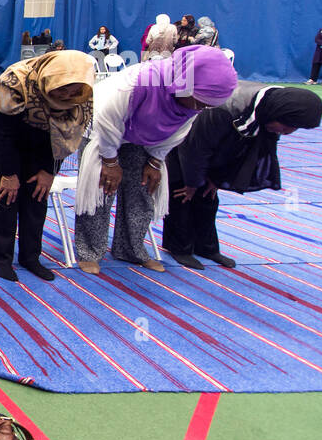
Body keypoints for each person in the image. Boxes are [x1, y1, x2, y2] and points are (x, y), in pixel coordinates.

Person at [74, 45, 238, 274]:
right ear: (184, 84)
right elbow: (106, 119)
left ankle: (130, 250)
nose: (203, 108)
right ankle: (90, 251)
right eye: (201, 101)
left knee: (143, 190)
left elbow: (178, 131)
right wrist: (110, 161)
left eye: (208, 104)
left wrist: (155, 161)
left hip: (143, 138)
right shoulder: (140, 82)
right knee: (101, 188)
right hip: (102, 129)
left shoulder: (190, 99)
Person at [164, 84, 322, 269]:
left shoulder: (268, 109)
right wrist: (192, 183)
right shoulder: (224, 109)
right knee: (182, 195)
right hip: (184, 144)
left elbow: (243, 152)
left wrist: (216, 179)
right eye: (288, 126)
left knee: (208, 197)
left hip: (218, 148)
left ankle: (206, 248)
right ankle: (179, 248)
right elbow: (194, 148)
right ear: (278, 114)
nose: (288, 132)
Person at [0, 51, 96, 282]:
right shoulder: (13, 82)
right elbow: (3, 133)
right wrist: (8, 173)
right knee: (0, 194)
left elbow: (67, 137)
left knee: (38, 192)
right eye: (62, 90)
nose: (68, 95)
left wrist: (49, 171)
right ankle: (2, 257)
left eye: (72, 91)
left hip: (43, 133)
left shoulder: (82, 95)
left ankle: (31, 257)